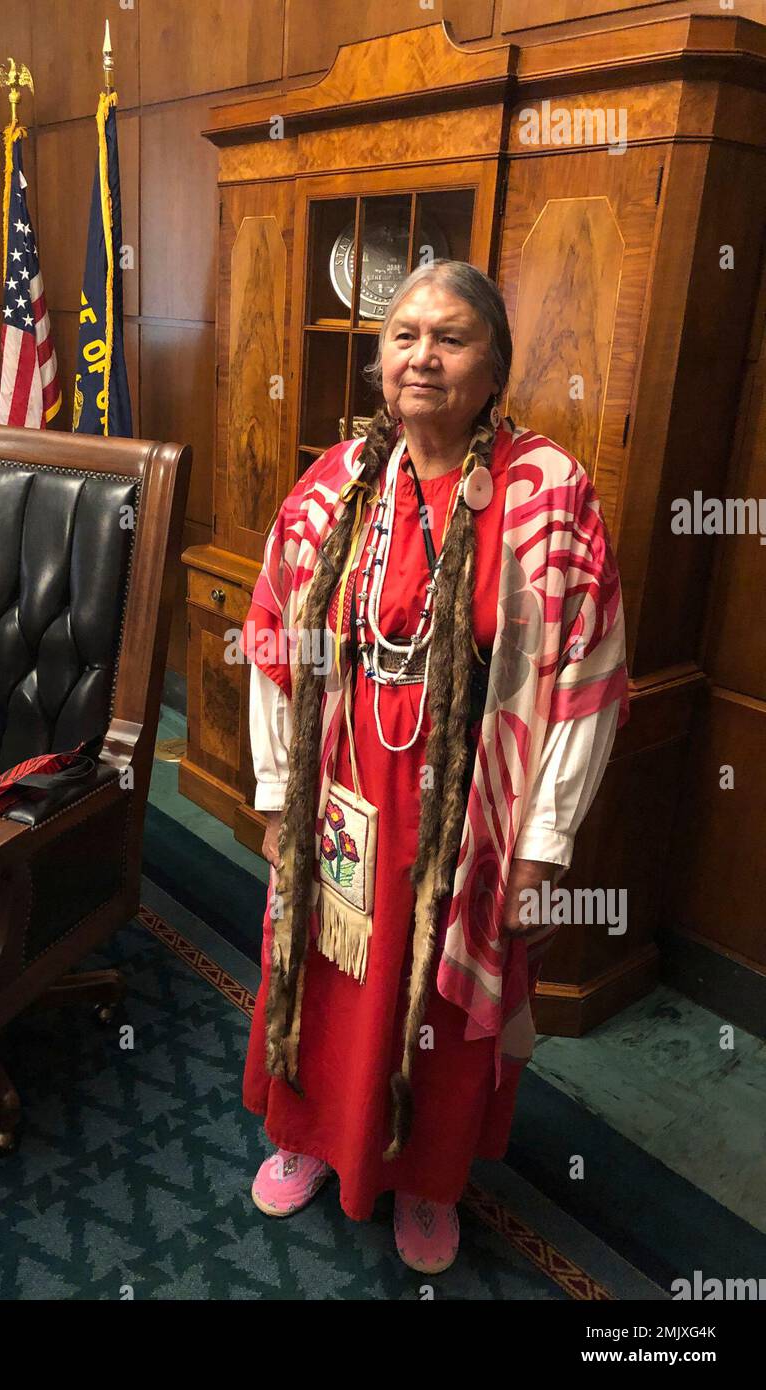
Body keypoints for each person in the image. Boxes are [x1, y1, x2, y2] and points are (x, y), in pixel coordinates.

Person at [237, 260, 629, 1274]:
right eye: (404, 334)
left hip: (474, 814)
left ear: (495, 364)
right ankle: (314, 1137)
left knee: (441, 1018)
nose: (423, 356)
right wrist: (280, 790)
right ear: (379, 357)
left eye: (450, 338)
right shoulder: (338, 479)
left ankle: (425, 1178)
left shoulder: (549, 493)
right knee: (325, 974)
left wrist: (544, 840)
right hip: (344, 789)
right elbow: (278, 633)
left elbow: (588, 674)